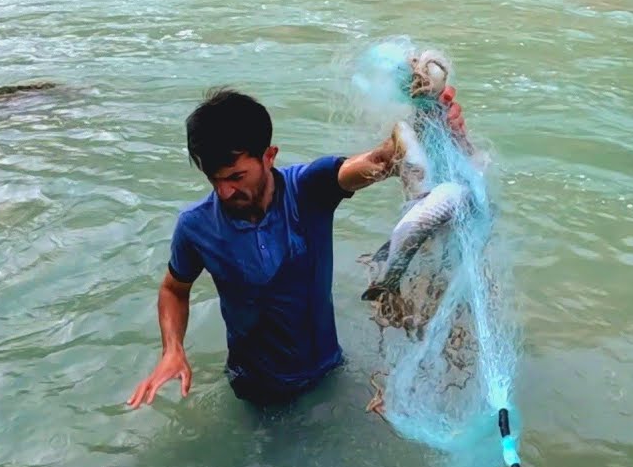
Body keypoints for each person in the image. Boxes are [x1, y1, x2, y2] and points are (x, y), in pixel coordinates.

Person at [127, 85, 466, 408]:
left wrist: (431, 124)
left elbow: (383, 159)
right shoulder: (195, 226)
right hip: (254, 388)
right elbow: (174, 289)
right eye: (214, 179)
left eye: (235, 177)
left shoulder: (309, 189)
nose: (224, 192)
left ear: (269, 156)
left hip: (327, 372)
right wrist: (172, 349)